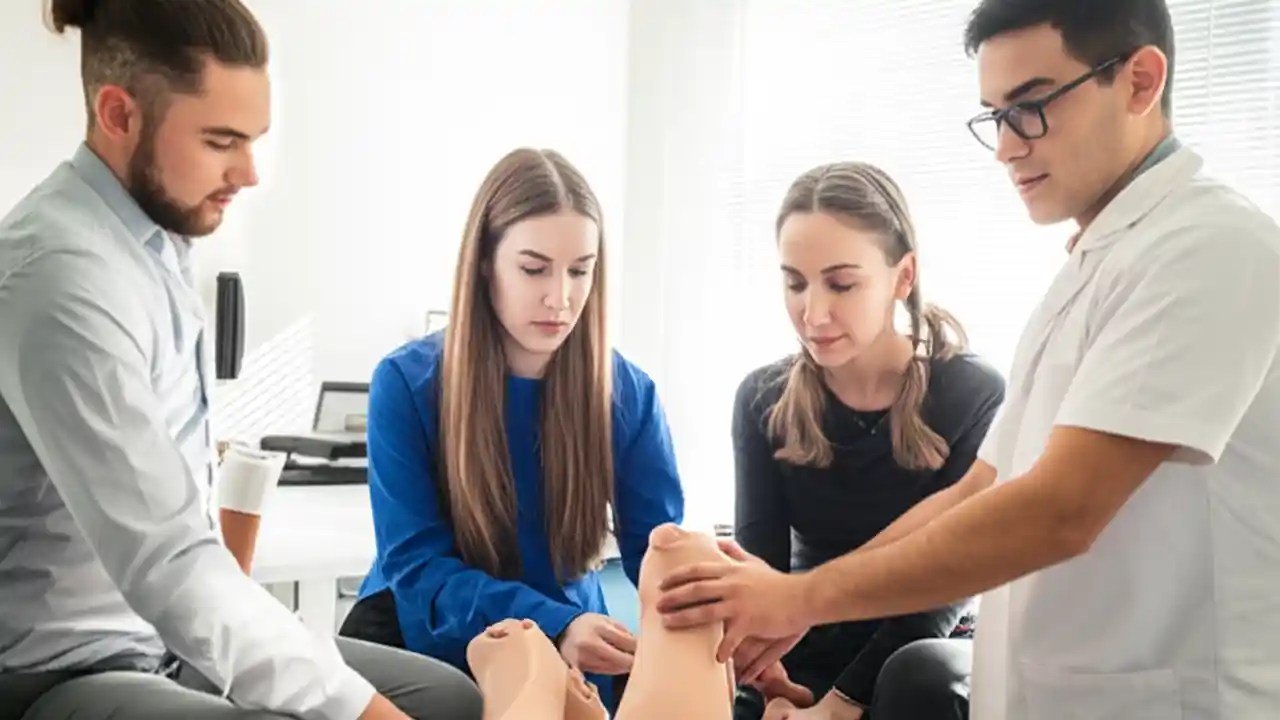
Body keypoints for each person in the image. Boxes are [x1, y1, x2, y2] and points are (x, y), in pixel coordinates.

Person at [653, 1, 1280, 719]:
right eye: (995, 116)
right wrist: (800, 607)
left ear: (1140, 81)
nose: (1007, 147)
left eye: (1031, 108)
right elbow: (982, 489)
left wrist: (802, 597)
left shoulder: (1207, 248)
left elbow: (1061, 511)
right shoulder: (1093, 269)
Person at [0, 2, 482, 719]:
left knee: (448, 699)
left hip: (165, 641)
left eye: (253, 140)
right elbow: (168, 563)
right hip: (60, 669)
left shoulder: (153, 245)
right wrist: (366, 713)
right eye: (221, 141)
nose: (249, 172)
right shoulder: (60, 277)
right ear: (119, 115)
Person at [337, 147, 686, 713]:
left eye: (580, 270)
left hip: (573, 640)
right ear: (484, 263)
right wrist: (554, 625)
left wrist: (709, 608)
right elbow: (417, 568)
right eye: (533, 269)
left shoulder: (627, 392)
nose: (560, 298)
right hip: (426, 640)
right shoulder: (405, 383)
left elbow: (657, 552)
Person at [729, 162, 1003, 720]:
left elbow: (944, 582)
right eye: (795, 283)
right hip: (805, 638)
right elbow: (761, 576)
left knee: (918, 677)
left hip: (927, 648)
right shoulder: (761, 399)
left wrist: (838, 706)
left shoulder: (972, 392)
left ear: (903, 277)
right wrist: (768, 681)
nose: (813, 314)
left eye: (842, 284)